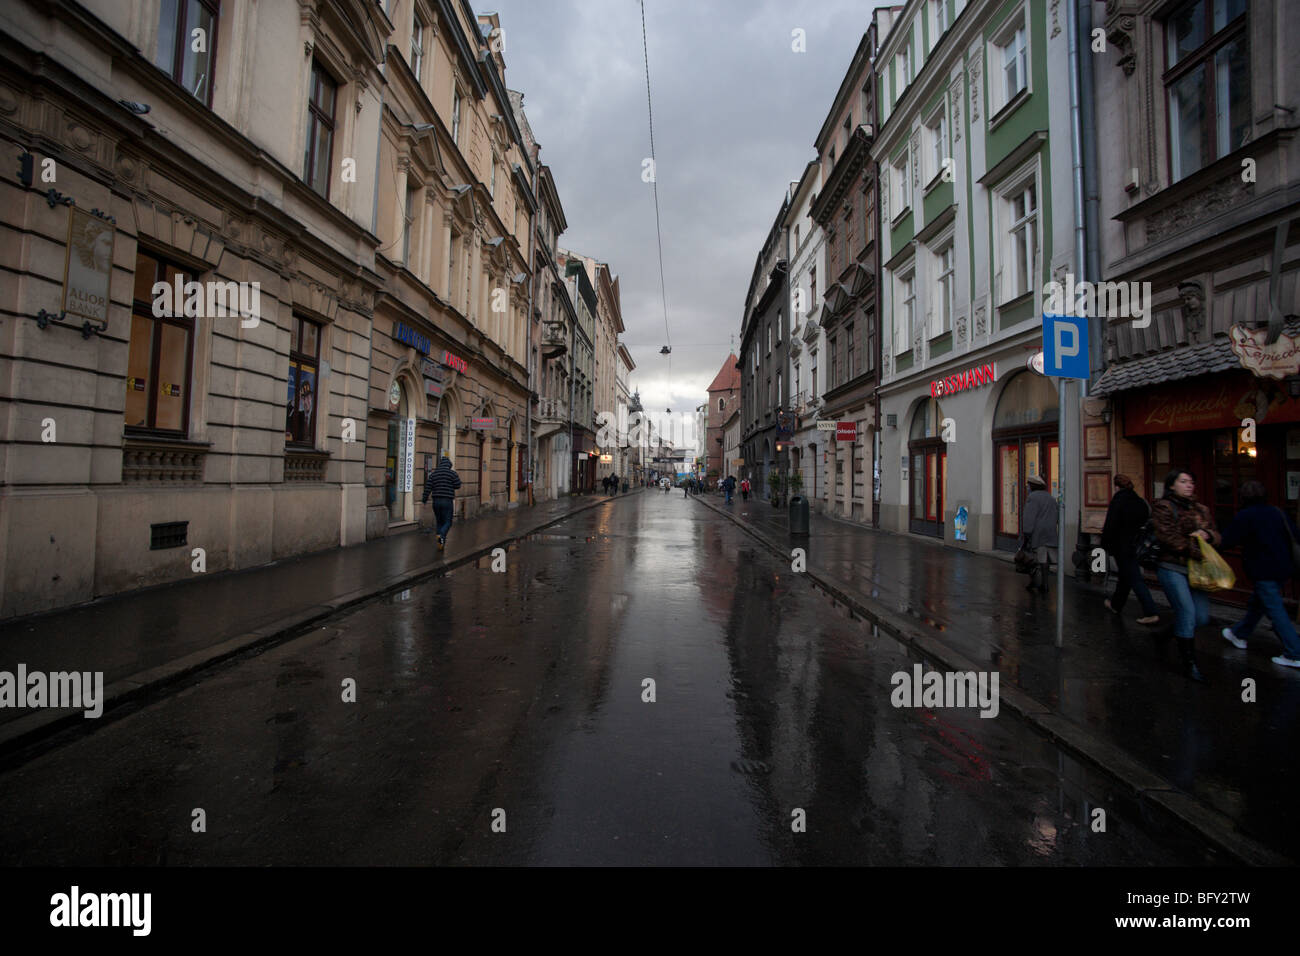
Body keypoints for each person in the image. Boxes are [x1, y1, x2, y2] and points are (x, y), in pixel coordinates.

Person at [1218, 481, 1300, 669]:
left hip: (1263, 569)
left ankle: (1294, 652)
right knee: (1258, 604)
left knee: (1274, 610)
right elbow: (1295, 535)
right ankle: (1239, 634)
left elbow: (1228, 540)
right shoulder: (1277, 512)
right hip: (1284, 567)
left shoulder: (1246, 516)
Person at [1152, 468, 1221, 682]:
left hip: (1198, 570)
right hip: (1172, 566)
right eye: (1183, 481)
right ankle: (1189, 664)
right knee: (1187, 611)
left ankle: (1165, 634)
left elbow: (1217, 535)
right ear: (1172, 485)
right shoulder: (1164, 507)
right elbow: (1167, 537)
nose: (1189, 485)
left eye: (1191, 481)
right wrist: (1197, 550)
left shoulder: (1202, 509)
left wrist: (1207, 535)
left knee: (1200, 617)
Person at [1101, 474, 1160, 624]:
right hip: (1138, 545)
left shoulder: (1118, 501)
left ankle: (1151, 611)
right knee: (1125, 576)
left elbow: (1111, 524)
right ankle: (1116, 604)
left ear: (1116, 487)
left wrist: (1105, 544)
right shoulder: (1140, 502)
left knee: (1133, 577)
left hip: (1122, 546)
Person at [1020, 474, 1057, 594]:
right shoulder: (1050, 498)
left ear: (1032, 486)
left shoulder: (1032, 498)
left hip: (1038, 533)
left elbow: (1029, 518)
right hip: (1050, 532)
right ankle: (1044, 583)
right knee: (1044, 559)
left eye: (1028, 485)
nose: (1027, 487)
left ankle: (1037, 582)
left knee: (1034, 559)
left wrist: (1026, 534)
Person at [421, 455, 462, 552]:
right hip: (447, 501)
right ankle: (442, 536)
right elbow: (458, 485)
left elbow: (428, 487)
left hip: (436, 501)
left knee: (439, 521)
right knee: (448, 521)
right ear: (449, 465)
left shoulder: (434, 474)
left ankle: (440, 542)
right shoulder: (452, 474)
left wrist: (424, 499)